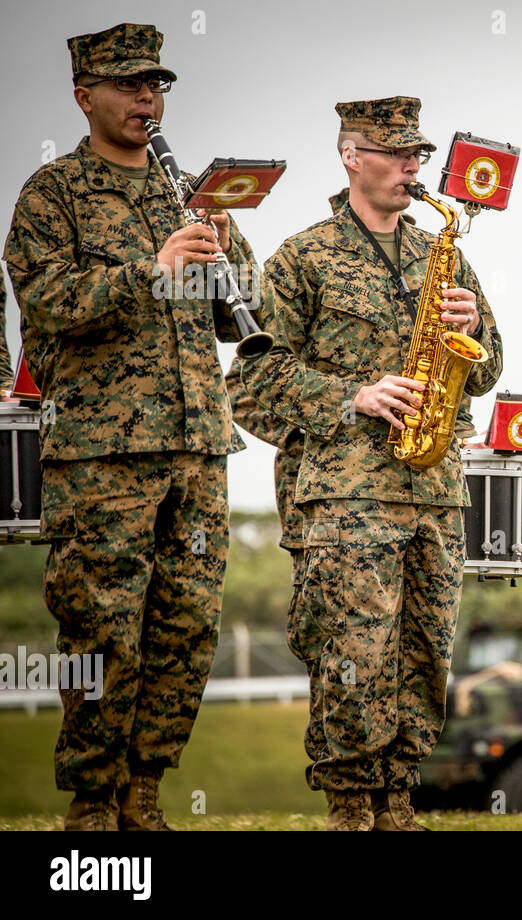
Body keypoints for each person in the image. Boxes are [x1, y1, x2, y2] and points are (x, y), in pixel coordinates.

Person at [3, 22, 261, 830]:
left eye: (156, 84)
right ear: (85, 97)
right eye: (128, 83)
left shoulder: (187, 195)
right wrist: (150, 273)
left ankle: (145, 790)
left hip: (197, 447)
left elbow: (239, 315)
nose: (147, 97)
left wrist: (224, 256)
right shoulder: (53, 194)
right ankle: (91, 798)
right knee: (98, 625)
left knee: (185, 626)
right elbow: (46, 304)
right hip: (101, 450)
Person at [241, 96, 503, 830]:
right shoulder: (301, 256)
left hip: (436, 490)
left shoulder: (441, 252)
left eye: (417, 154)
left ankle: (399, 801)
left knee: (426, 655)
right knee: (354, 654)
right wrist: (352, 394)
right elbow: (250, 385)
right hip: (345, 497)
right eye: (393, 153)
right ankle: (351, 806)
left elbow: (487, 368)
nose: (411, 167)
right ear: (351, 156)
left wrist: (474, 326)